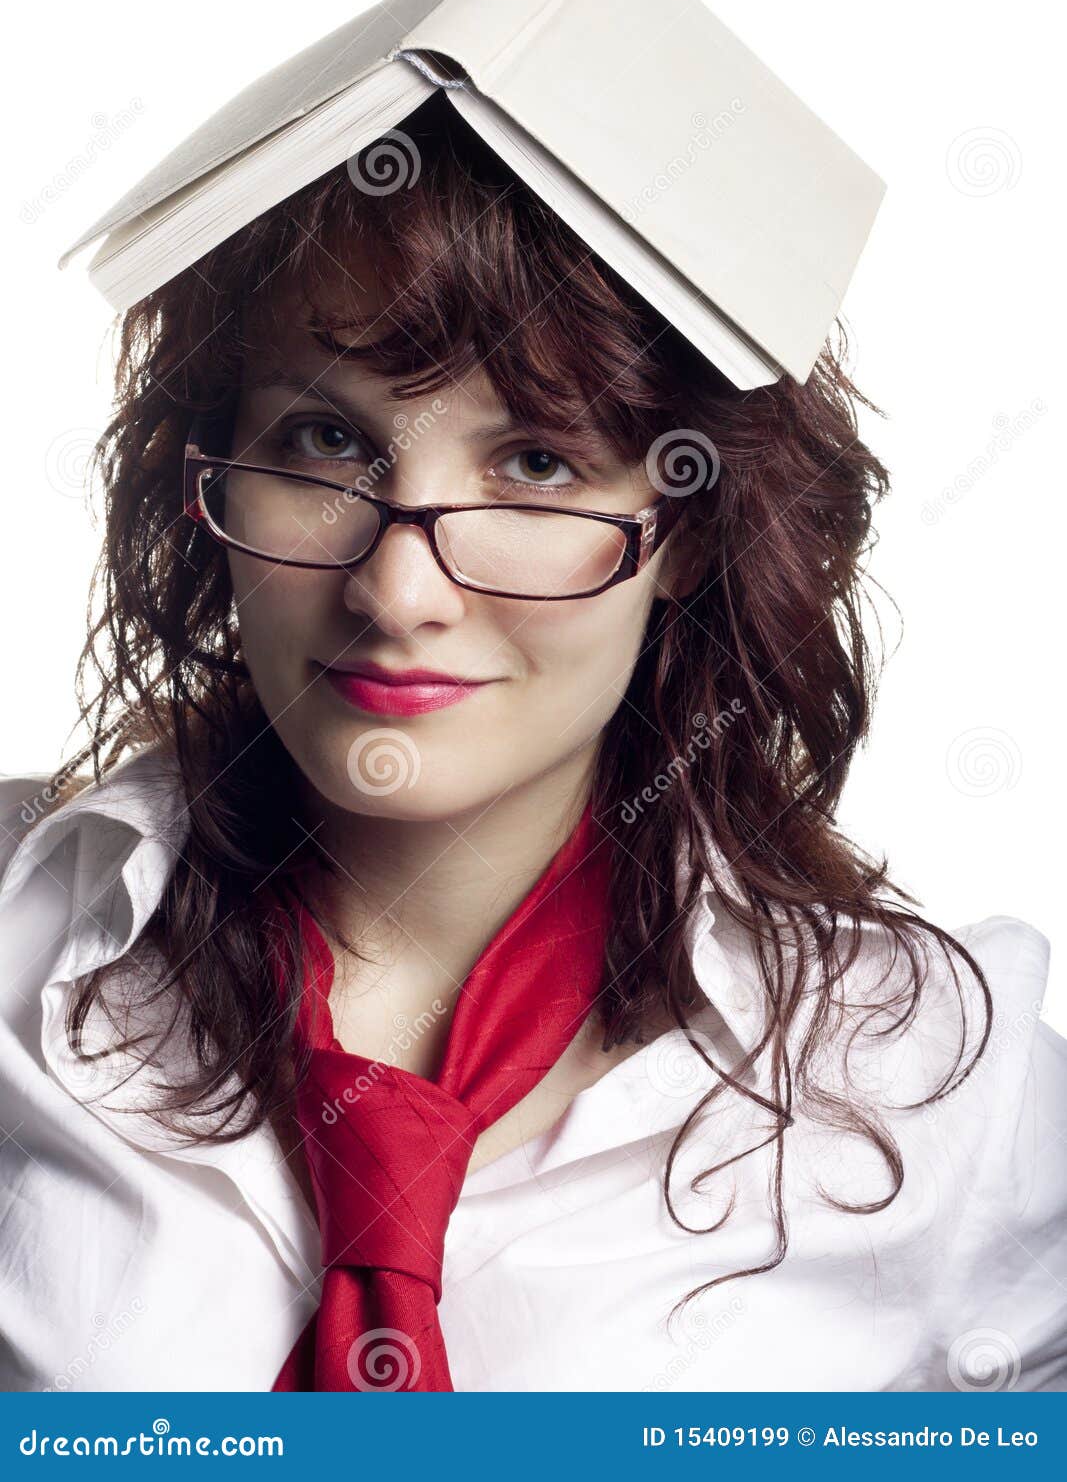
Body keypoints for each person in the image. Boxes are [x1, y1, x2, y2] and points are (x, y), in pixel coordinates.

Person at [1, 93, 1064, 1393]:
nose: (398, 596)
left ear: (685, 531)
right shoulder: (22, 929)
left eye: (540, 463)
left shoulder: (937, 1081)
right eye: (325, 440)